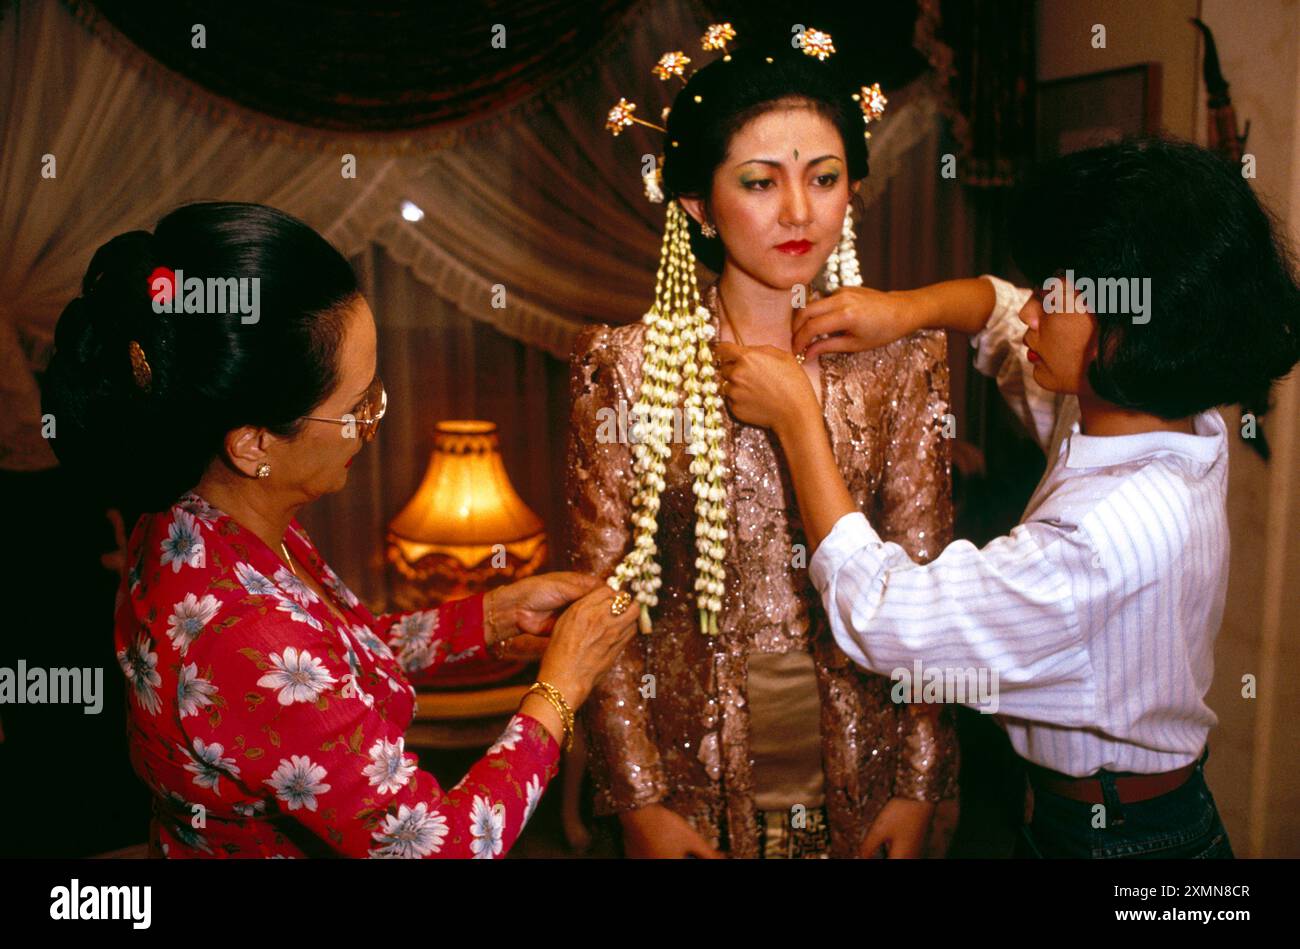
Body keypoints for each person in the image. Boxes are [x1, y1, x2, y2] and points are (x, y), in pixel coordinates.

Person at [716, 136, 1300, 858]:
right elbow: (998, 308)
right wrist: (904, 310)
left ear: (1127, 329)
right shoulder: (1166, 420)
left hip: (1127, 844)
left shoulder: (1107, 534)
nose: (1031, 314)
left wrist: (799, 420)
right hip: (1099, 811)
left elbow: (887, 617)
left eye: (1057, 294)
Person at [40, 201, 638, 857]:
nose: (373, 423)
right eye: (356, 407)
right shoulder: (243, 630)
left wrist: (490, 615)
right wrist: (561, 686)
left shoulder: (201, 514)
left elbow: (331, 659)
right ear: (255, 442)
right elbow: (446, 848)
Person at [569, 37, 957, 859]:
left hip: (866, 756)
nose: (798, 212)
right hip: (687, 775)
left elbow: (930, 586)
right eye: (759, 182)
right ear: (696, 207)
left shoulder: (899, 363)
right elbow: (604, 604)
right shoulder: (626, 368)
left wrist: (920, 783)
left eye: (823, 178)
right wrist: (639, 802)